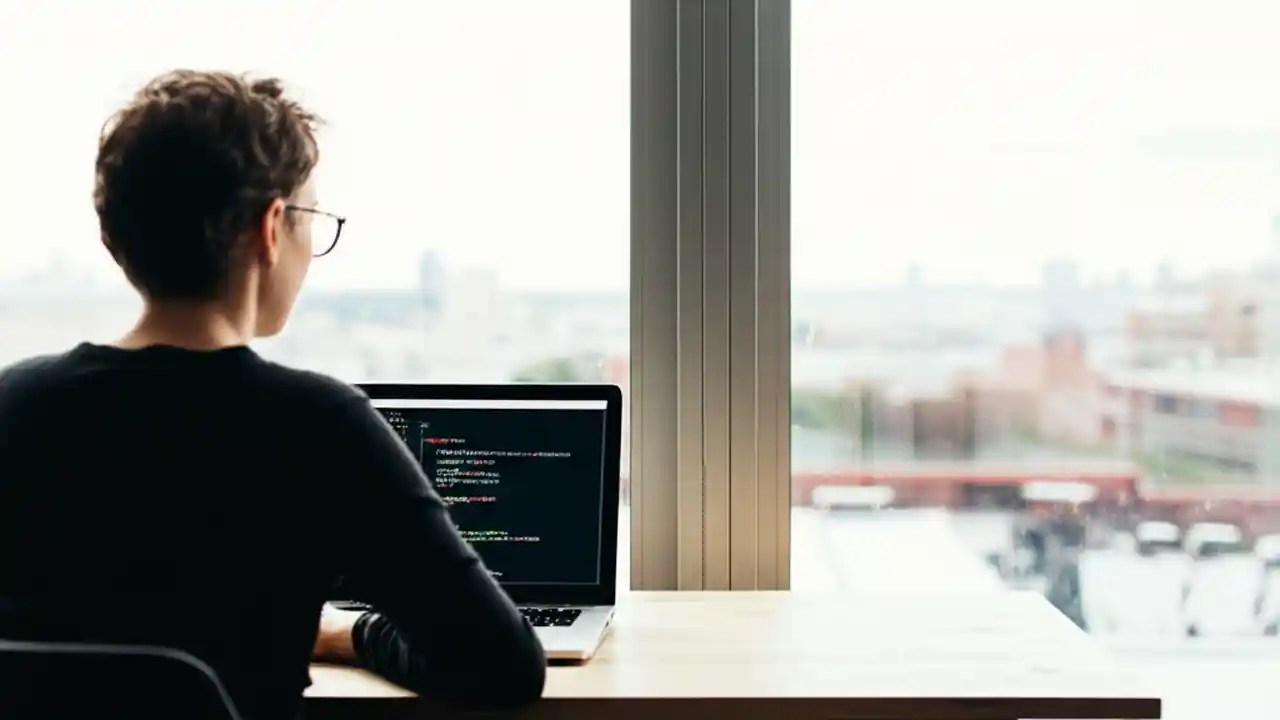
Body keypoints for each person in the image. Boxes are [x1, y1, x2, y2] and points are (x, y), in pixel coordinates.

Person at [0, 70, 545, 719]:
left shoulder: (14, 403)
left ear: (114, 236)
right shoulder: (318, 425)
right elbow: (501, 667)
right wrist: (348, 634)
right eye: (311, 218)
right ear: (271, 227)